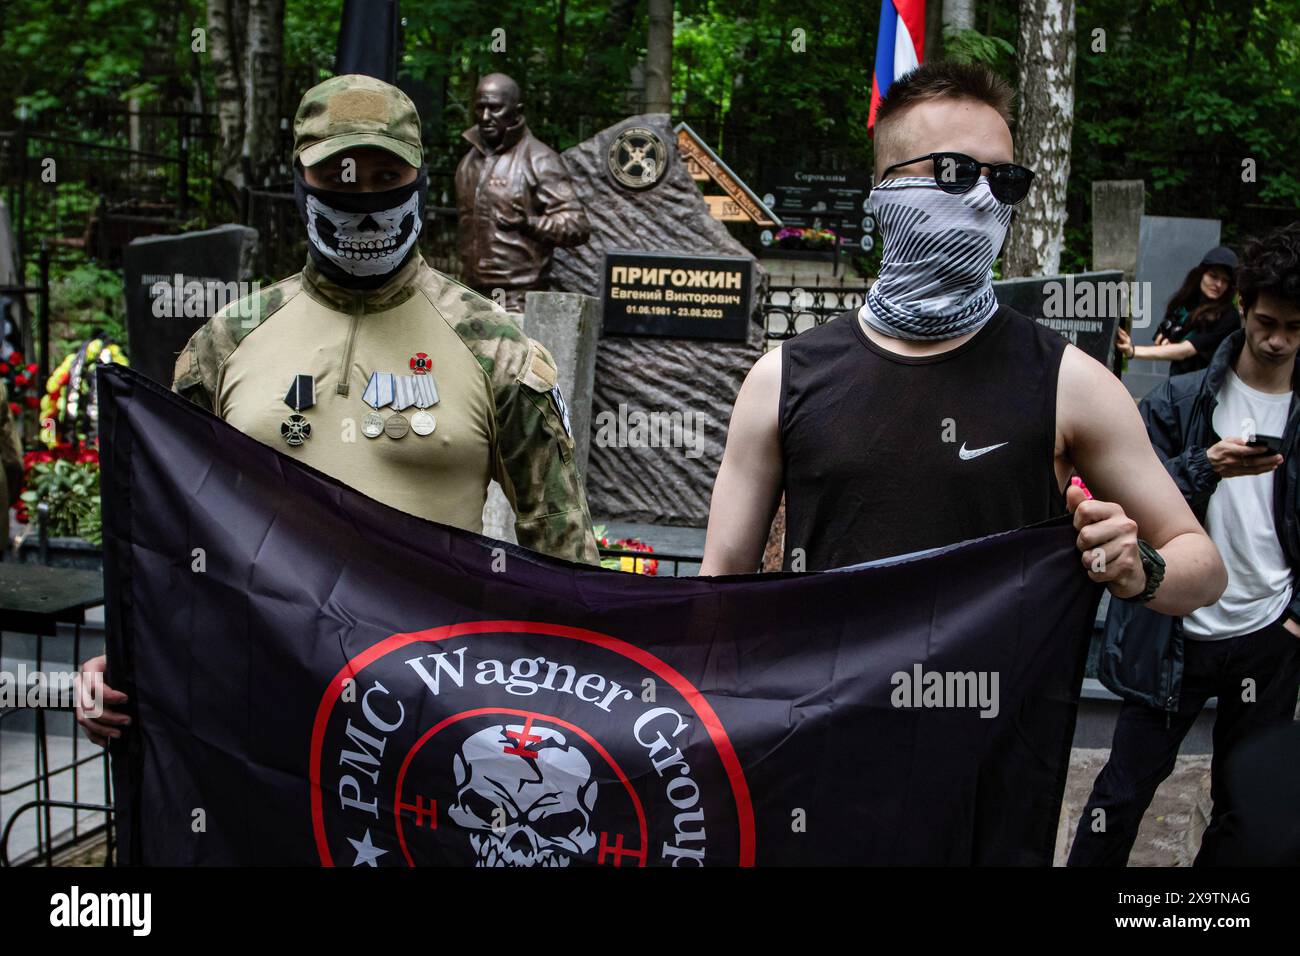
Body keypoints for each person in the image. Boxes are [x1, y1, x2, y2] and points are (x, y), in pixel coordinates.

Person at [699, 60, 1226, 863]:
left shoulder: (1070, 384)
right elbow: (722, 585)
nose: (983, 197)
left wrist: (1139, 568)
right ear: (882, 192)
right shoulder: (783, 378)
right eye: (952, 172)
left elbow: (1202, 566)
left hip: (990, 784)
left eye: (1004, 180)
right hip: (819, 769)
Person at [77, 74, 600, 747]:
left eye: (387, 174)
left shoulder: (490, 345)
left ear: (420, 179)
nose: (363, 198)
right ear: (301, 180)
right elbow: (167, 532)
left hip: (427, 720)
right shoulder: (227, 342)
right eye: (340, 177)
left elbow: (563, 550)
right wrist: (118, 661)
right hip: (258, 706)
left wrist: (589, 706)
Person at [1070, 222, 1300, 867]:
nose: (1279, 340)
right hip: (1176, 630)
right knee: (1121, 793)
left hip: (1270, 636)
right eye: (1267, 322)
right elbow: (1125, 496)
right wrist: (1207, 466)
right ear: (1245, 311)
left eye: (1295, 328)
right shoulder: (1181, 401)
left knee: (1250, 807)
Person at [455, 73, 590, 312]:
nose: (485, 117)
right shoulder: (469, 162)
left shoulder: (540, 160)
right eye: (480, 108)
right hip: (471, 296)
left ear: (517, 110)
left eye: (495, 108)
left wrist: (529, 224)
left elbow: (576, 226)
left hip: (519, 301)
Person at [1115, 246, 1240, 377]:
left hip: (1207, 386)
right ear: (1200, 274)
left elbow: (1186, 350)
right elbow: (1166, 335)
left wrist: (1133, 351)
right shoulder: (1187, 302)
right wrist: (1166, 340)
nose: (1218, 284)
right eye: (1213, 276)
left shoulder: (1229, 316)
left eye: (1225, 280)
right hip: (1179, 380)